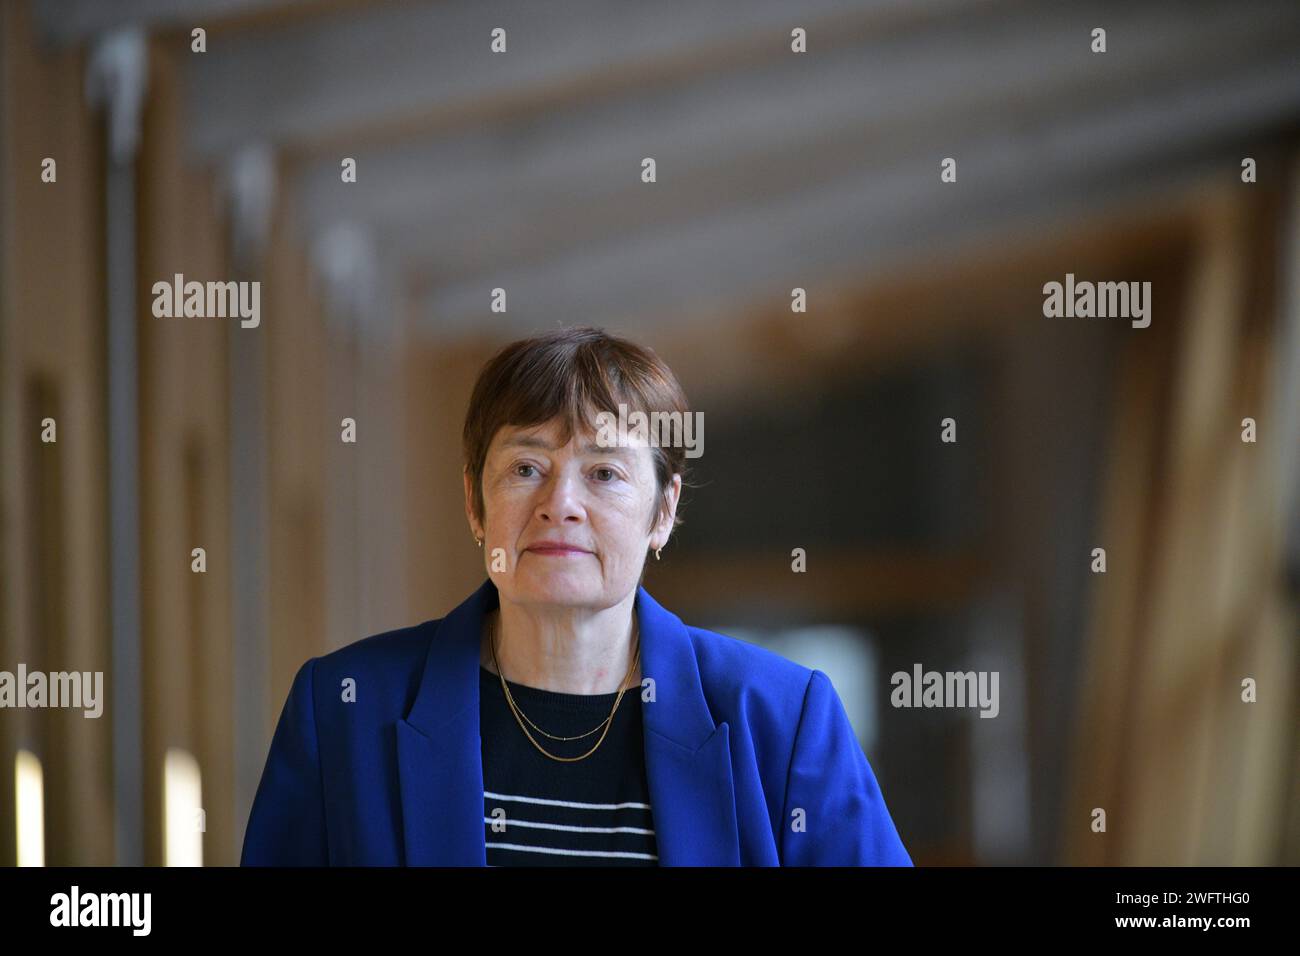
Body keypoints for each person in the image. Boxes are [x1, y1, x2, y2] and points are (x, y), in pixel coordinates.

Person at [241, 326, 912, 866]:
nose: (560, 504)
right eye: (526, 468)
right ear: (475, 502)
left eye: (604, 473)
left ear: (664, 512)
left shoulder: (784, 723)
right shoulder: (344, 712)